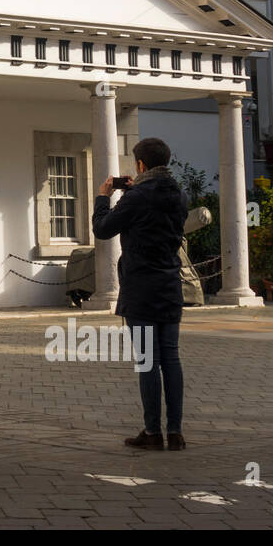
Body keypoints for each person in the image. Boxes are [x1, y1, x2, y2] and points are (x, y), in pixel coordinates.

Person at [91, 137, 188, 451]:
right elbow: (155, 220)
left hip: (141, 286)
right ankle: (175, 432)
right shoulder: (178, 194)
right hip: (170, 282)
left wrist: (103, 198)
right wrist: (133, 193)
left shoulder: (138, 197)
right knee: (170, 359)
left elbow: (103, 229)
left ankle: (152, 431)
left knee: (148, 361)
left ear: (141, 164)